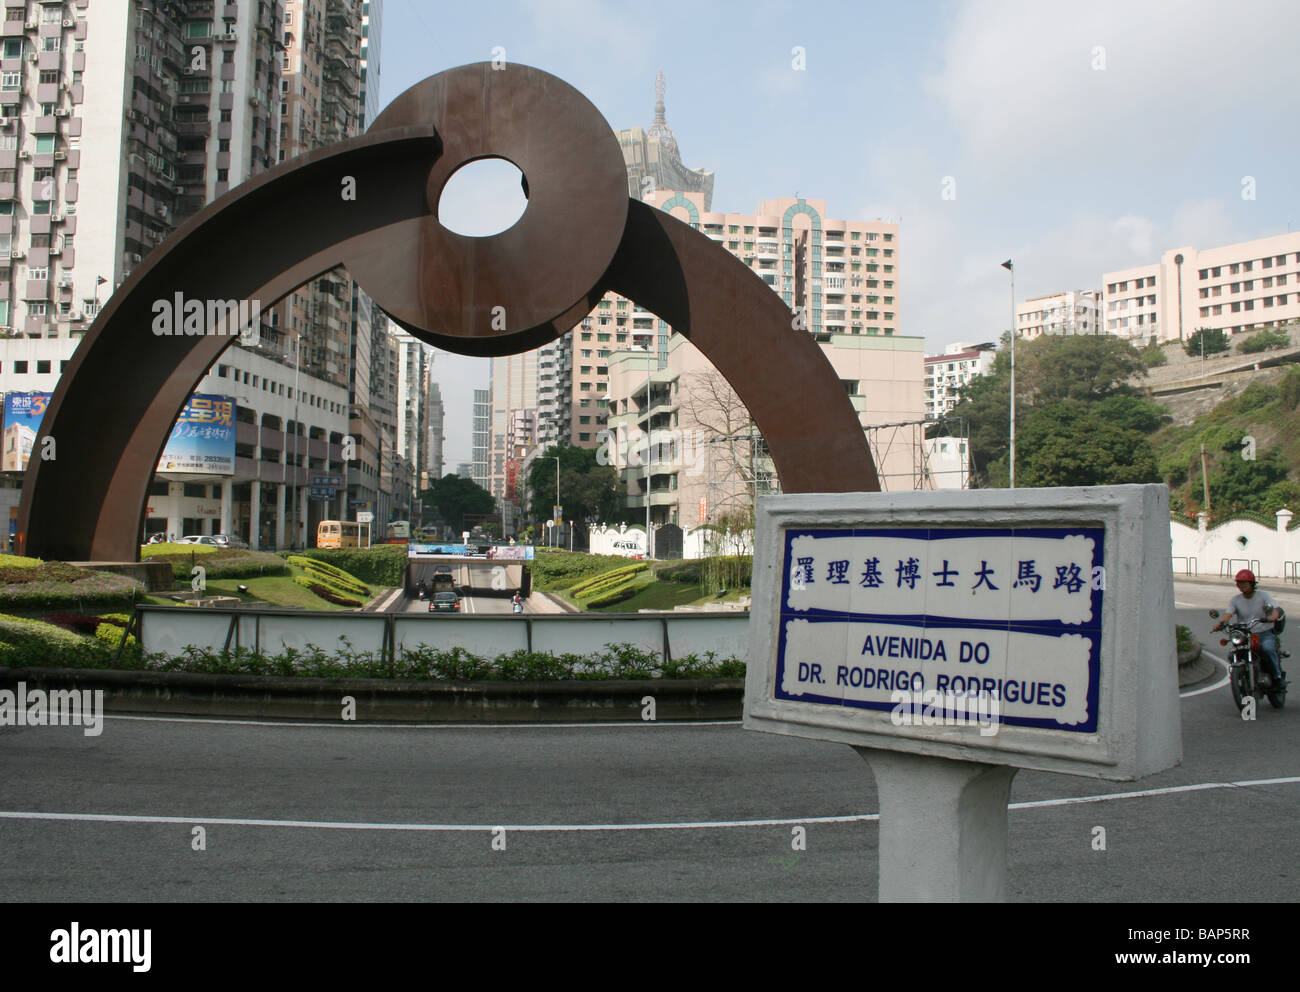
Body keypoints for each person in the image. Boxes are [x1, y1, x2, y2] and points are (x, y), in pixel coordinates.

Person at [1212, 569, 1286, 687]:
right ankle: (1242, 677)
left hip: (1263, 632)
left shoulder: (1263, 596)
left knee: (1267, 649)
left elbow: (1274, 610)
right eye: (1239, 583)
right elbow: (1228, 614)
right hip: (1245, 634)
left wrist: (1272, 617)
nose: (1242, 585)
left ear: (1252, 583)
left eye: (1244, 582)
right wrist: (1220, 624)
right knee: (1232, 655)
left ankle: (1277, 677)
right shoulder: (1236, 599)